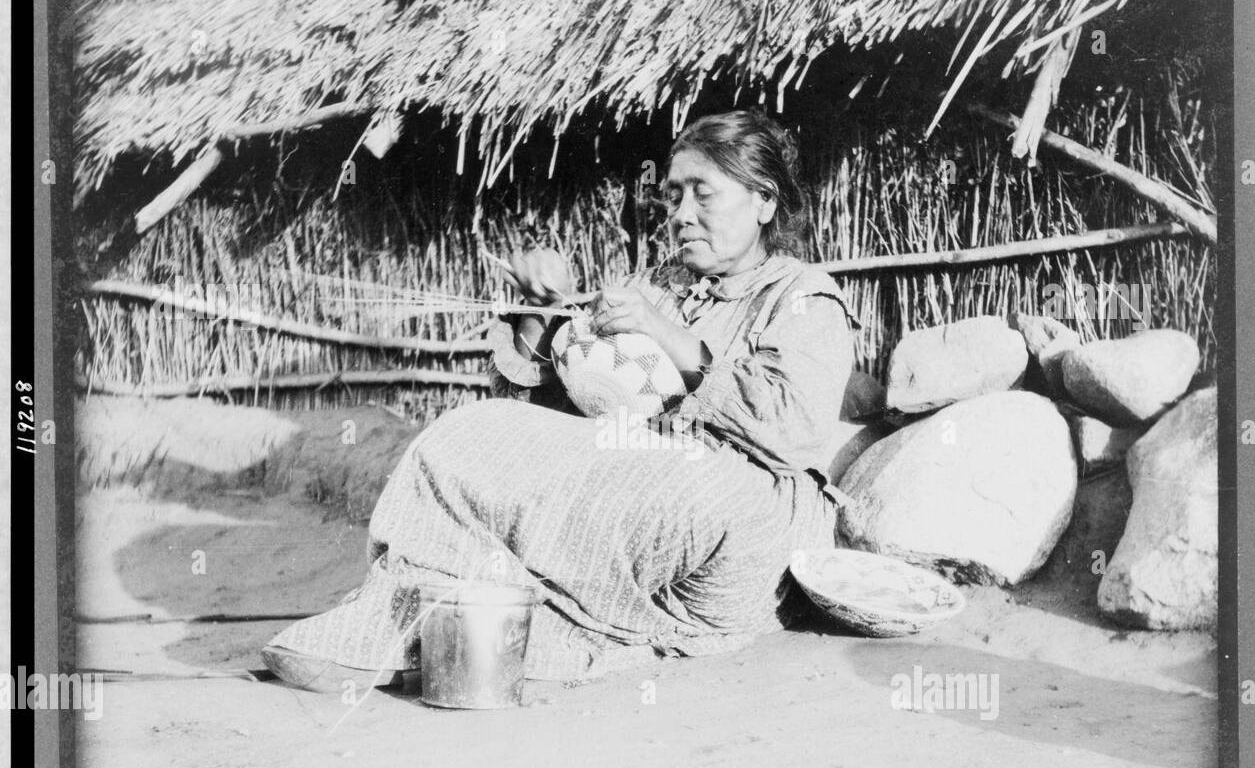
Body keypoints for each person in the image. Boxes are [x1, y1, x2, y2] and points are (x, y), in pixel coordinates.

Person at [262, 109, 859, 690]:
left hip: (739, 518)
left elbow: (794, 428)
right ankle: (411, 615)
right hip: (635, 487)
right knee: (473, 429)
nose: (680, 215)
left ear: (764, 200)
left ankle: (500, 625)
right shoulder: (655, 285)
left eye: (703, 194)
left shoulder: (803, 295)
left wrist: (669, 339)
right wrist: (541, 316)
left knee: (695, 485)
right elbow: (549, 417)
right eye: (673, 195)